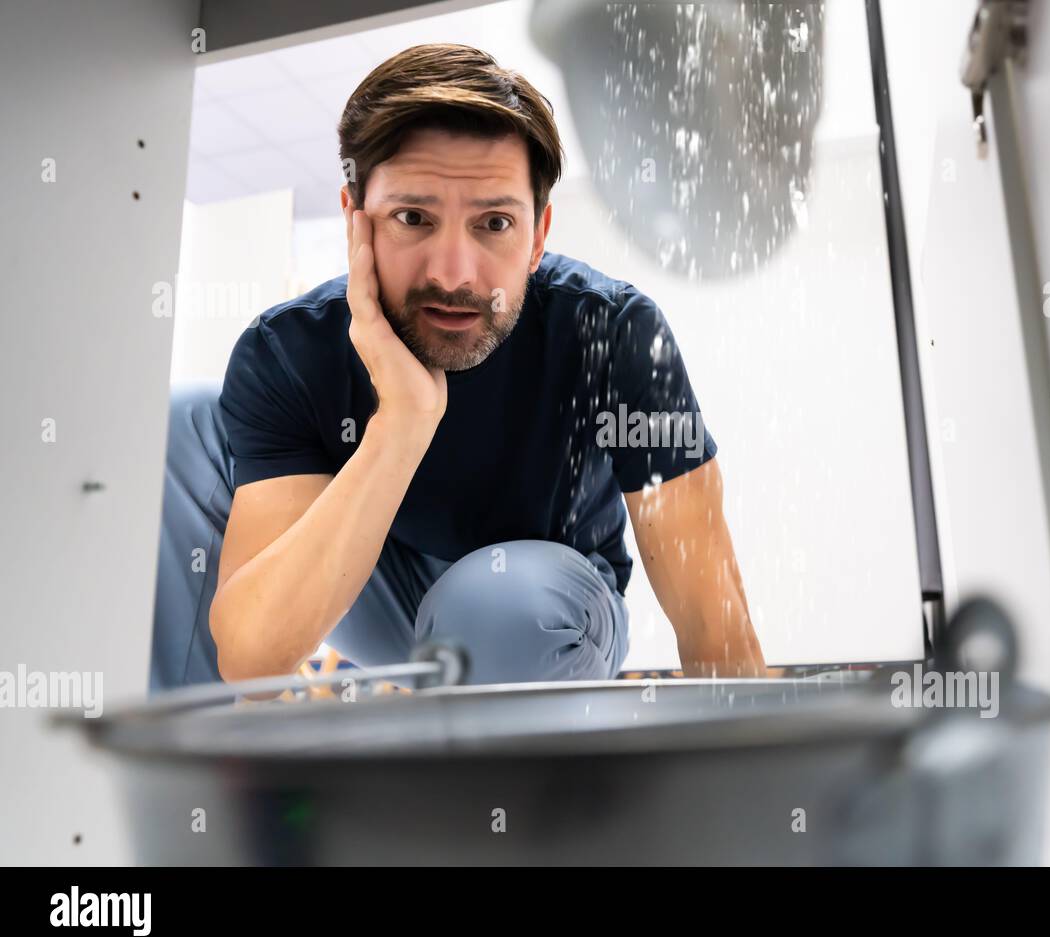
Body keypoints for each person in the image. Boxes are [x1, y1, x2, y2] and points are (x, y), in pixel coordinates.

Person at [150, 43, 765, 692]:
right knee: (187, 422)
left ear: (538, 236)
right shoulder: (289, 349)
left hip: (545, 607)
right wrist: (404, 423)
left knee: (497, 606)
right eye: (413, 218)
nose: (452, 273)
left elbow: (711, 622)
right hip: (381, 587)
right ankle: (214, 776)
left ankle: (485, 783)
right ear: (357, 223)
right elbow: (250, 654)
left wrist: (763, 783)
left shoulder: (615, 335)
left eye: (494, 223)